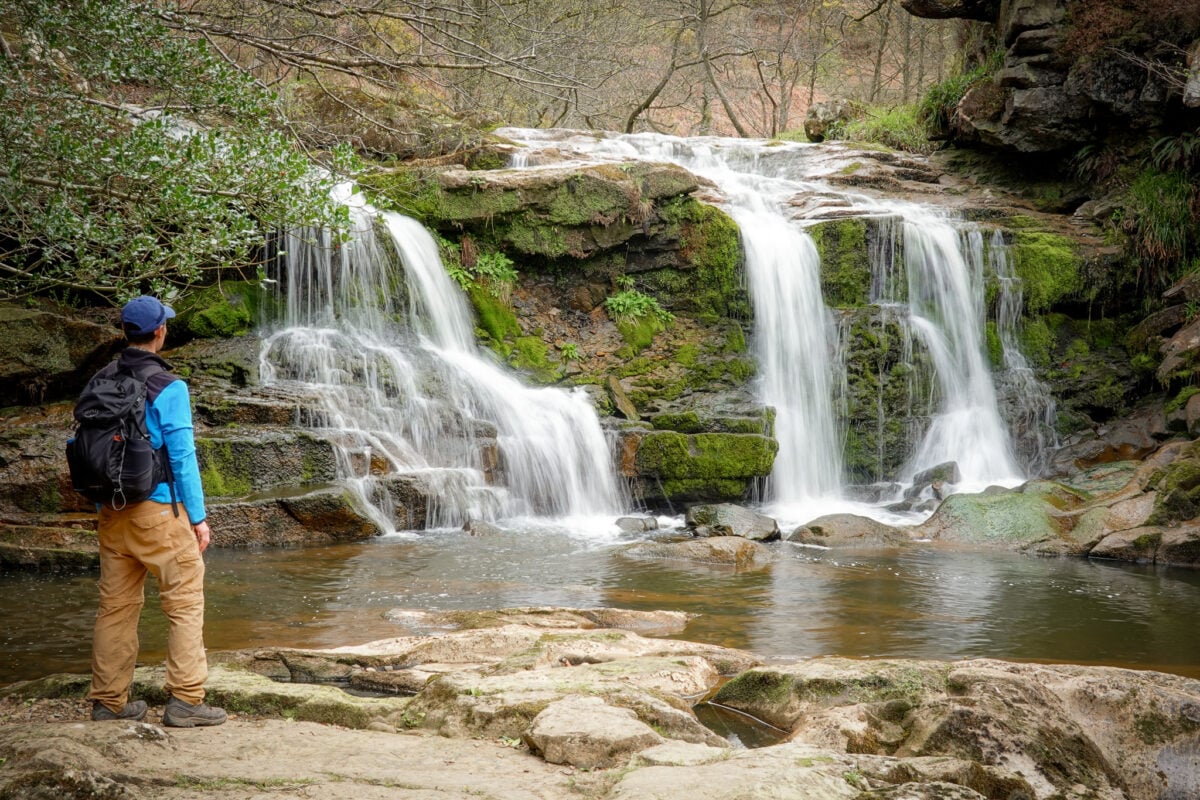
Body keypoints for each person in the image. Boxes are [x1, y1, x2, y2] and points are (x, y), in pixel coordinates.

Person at [87, 295, 227, 728]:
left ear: (125, 332)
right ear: (160, 332)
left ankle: (109, 702)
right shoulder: (169, 386)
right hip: (159, 509)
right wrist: (198, 518)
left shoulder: (100, 379)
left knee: (116, 608)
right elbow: (183, 457)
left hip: (112, 510)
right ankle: (186, 699)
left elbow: (88, 450)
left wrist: (102, 504)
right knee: (184, 603)